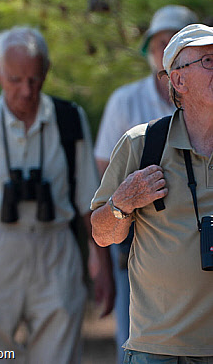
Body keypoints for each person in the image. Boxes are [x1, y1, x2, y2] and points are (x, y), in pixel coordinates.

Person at [0, 26, 113, 363]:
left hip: (56, 247)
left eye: (34, 79)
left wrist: (102, 268)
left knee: (59, 355)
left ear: (46, 71)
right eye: (16, 79)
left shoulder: (69, 120)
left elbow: (90, 202)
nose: (26, 90)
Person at [91, 23, 213, 362]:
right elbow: (102, 233)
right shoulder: (141, 144)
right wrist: (123, 202)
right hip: (156, 350)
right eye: (207, 61)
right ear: (178, 81)